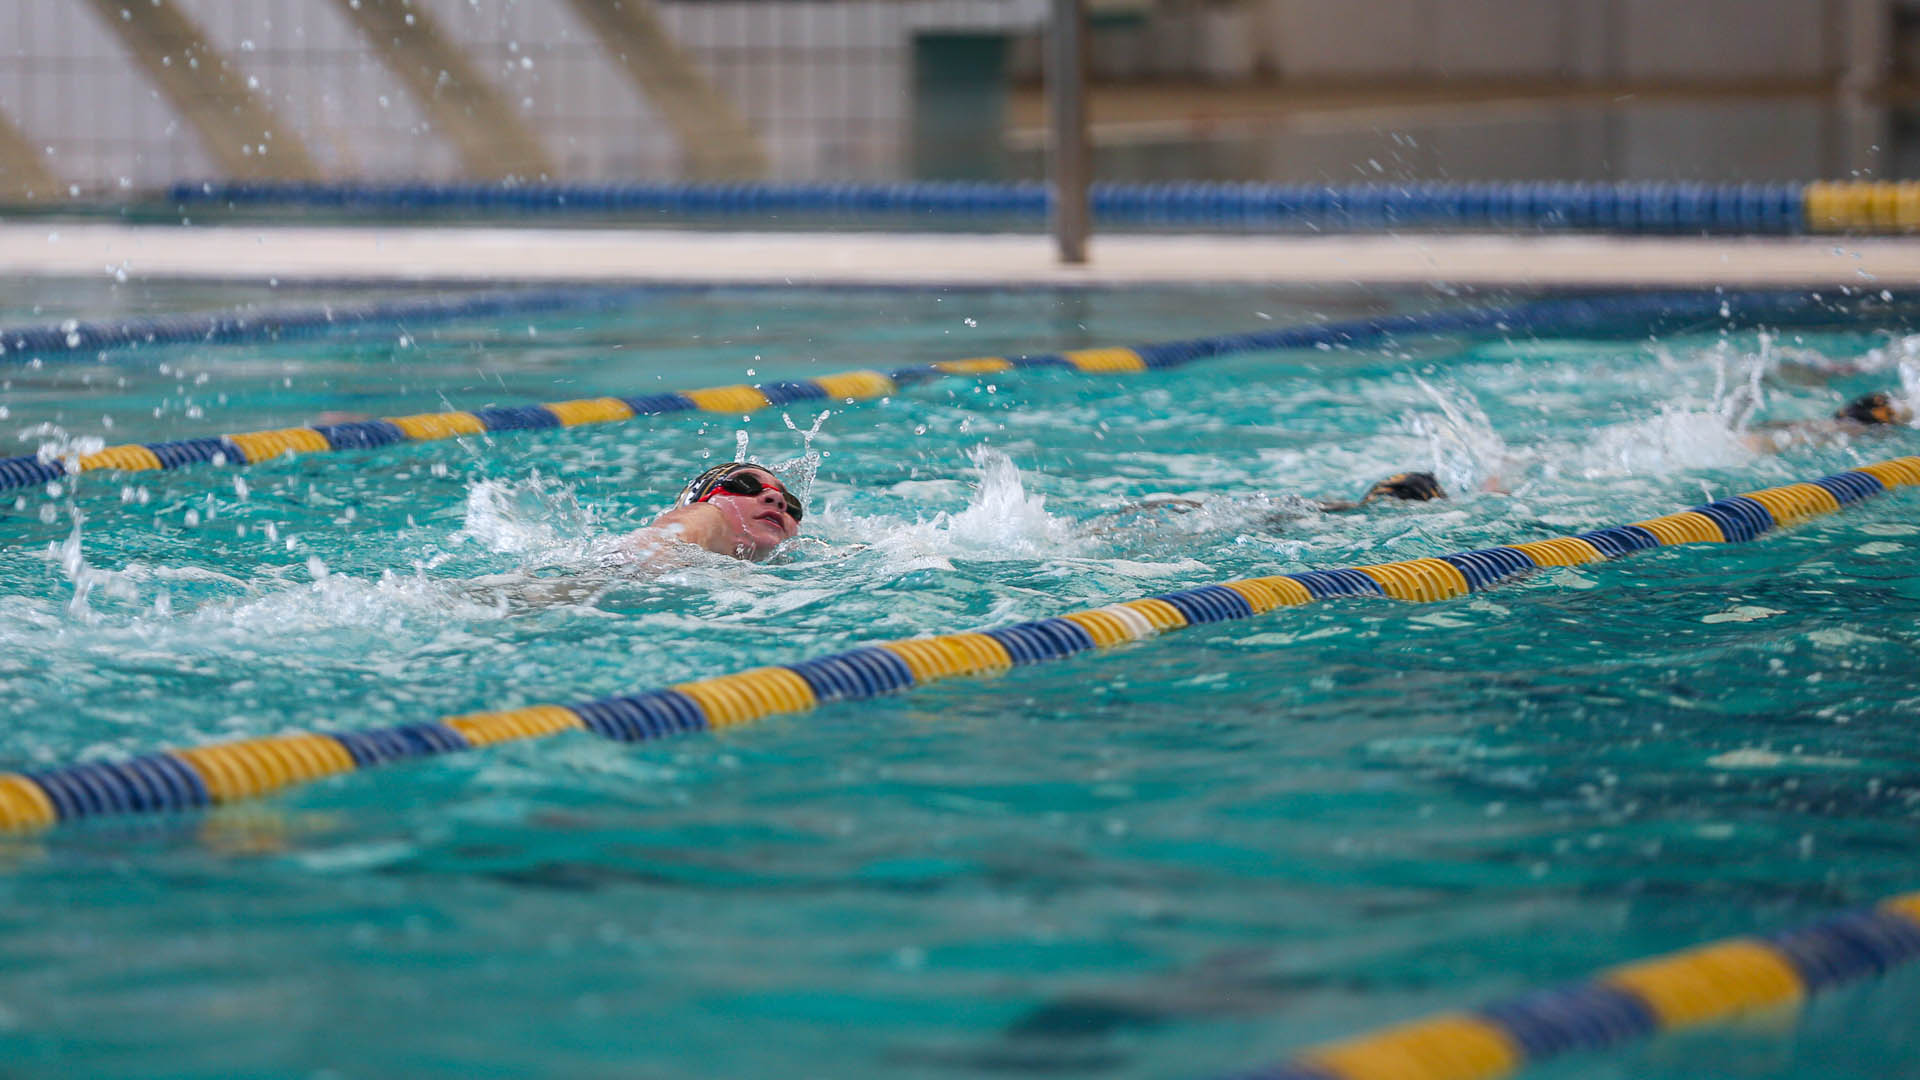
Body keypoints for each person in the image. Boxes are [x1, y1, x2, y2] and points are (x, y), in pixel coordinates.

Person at [629, 461, 804, 562]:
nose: (778, 499)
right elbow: (647, 549)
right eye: (746, 484)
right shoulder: (706, 515)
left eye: (790, 502)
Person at [1743, 390, 1914, 453]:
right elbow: (1903, 414)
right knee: (1828, 431)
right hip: (1856, 423)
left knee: (1813, 426)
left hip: (1843, 418)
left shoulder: (1890, 397)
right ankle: (1768, 444)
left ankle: (1745, 431)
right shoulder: (1897, 404)